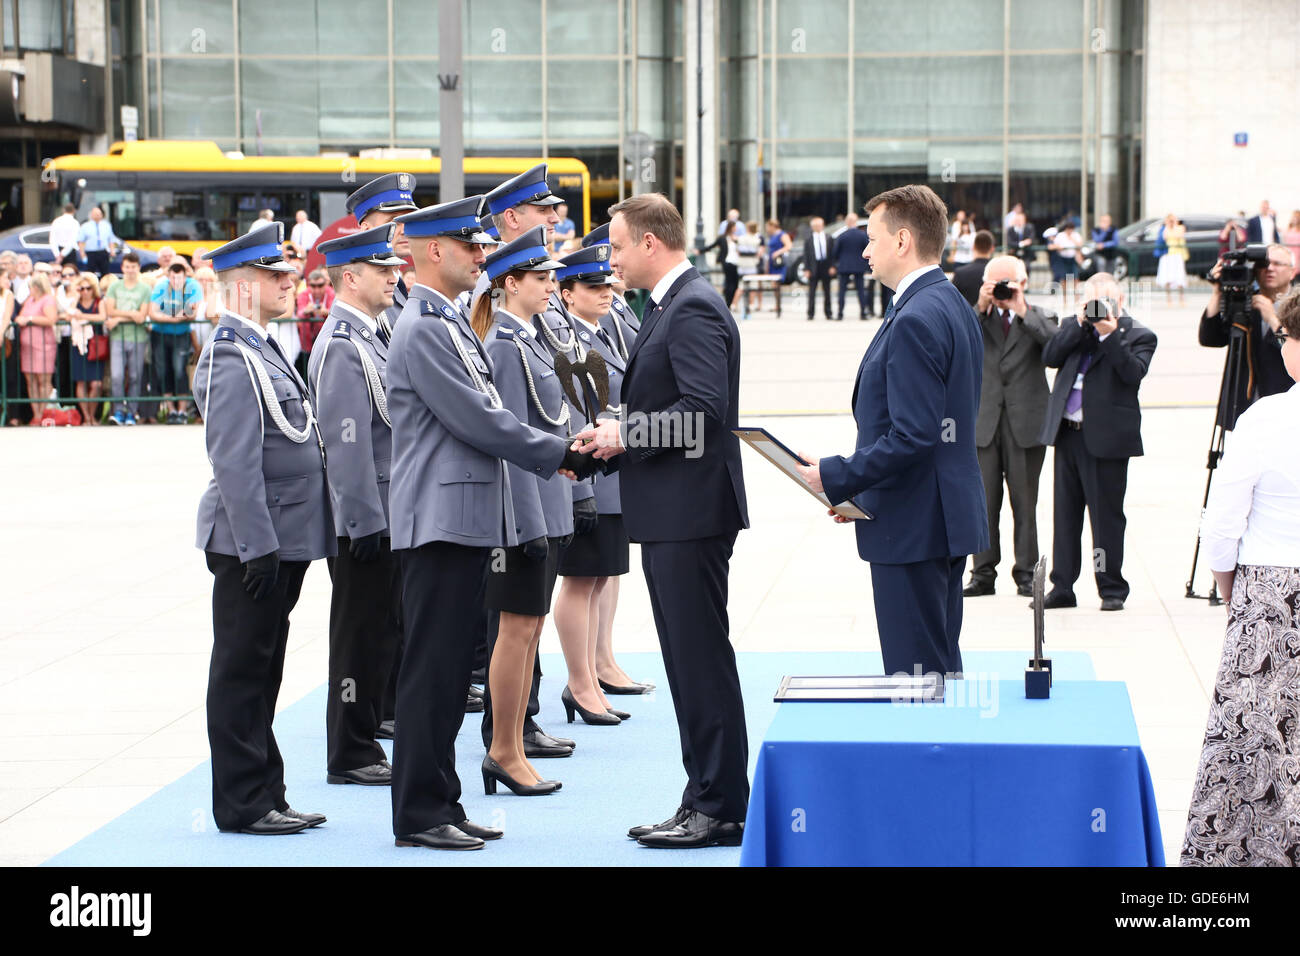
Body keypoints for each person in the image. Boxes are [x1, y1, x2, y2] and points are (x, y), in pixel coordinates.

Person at [385, 198, 597, 850]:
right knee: (432, 671)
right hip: (439, 522)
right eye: (470, 246)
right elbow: (478, 419)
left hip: (464, 518)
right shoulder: (424, 328)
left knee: (451, 673)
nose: (483, 255)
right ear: (433, 252)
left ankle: (440, 800)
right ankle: (420, 812)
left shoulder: (446, 324)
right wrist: (557, 453)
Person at [570, 192, 750, 849]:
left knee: (699, 660)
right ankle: (705, 793)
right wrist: (615, 436)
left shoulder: (693, 305)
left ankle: (722, 805)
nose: (611, 261)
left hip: (691, 513)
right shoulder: (674, 303)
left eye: (617, 247)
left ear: (651, 243)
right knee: (687, 659)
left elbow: (703, 413)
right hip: (676, 509)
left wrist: (625, 434)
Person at [795, 184, 987, 678]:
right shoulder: (949, 303)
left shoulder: (917, 316)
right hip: (936, 514)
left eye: (872, 238)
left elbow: (913, 435)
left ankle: (929, 754)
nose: (864, 250)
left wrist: (837, 475)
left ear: (902, 241)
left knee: (917, 678)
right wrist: (862, 492)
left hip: (915, 523)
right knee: (941, 668)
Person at [191, 221, 332, 835]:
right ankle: (243, 801)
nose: (289, 280)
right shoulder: (231, 354)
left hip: (280, 537)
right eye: (276, 274)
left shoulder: (261, 346)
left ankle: (266, 789)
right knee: (243, 668)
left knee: (265, 665)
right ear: (244, 285)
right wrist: (257, 548)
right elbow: (235, 460)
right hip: (255, 541)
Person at [1182, 290, 1300, 867]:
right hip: (1272, 586)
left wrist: (1230, 586)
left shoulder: (1267, 417)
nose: (1281, 346)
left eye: (1286, 338)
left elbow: (1224, 518)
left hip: (1273, 592)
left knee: (1259, 739)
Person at [474, 228, 584, 795]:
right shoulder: (504, 345)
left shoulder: (533, 338)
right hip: (526, 514)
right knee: (515, 631)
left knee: (530, 628)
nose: (551, 286)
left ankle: (514, 743)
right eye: (540, 278)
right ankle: (503, 749)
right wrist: (529, 525)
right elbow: (511, 440)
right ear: (509, 283)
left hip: (549, 503)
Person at [307, 225, 406, 789]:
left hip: (388, 509)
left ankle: (365, 737)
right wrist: (364, 521)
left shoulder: (373, 335)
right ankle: (350, 750)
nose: (394, 277)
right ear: (351, 277)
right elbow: (346, 443)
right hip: (366, 518)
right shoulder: (344, 344)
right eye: (382, 270)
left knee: (381, 633)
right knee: (359, 637)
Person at [550, 242, 646, 718]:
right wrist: (579, 488)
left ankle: (595, 672)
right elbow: (571, 418)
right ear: (566, 294)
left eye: (606, 282)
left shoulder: (598, 333)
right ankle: (580, 682)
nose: (605, 291)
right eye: (592, 285)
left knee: (600, 576)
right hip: (588, 476)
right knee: (580, 581)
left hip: (612, 474)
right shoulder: (568, 341)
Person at [1039, 273, 1157, 611]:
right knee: (1065, 516)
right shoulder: (1073, 327)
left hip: (1107, 440)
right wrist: (1079, 323)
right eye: (1091, 300)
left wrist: (1109, 335)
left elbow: (1132, 374)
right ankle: (1062, 586)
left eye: (1104, 300)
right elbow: (1050, 356)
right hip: (1068, 435)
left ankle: (1111, 587)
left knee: (1105, 519)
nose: (1097, 308)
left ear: (1120, 302)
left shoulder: (1138, 335)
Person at [963, 255, 1058, 597]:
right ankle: (982, 573)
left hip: (1026, 424)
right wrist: (982, 304)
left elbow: (1055, 346)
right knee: (983, 503)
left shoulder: (1040, 316)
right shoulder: (975, 318)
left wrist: (1020, 308)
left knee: (1025, 504)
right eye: (995, 284)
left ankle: (1026, 574)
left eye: (1008, 283)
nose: (1002, 290)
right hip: (985, 422)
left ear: (1024, 282)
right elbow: (957, 343)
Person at [1198, 244, 1295, 429]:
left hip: (1284, 402)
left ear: (1292, 271)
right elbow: (1210, 338)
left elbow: (1293, 348)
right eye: (1264, 264)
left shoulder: (1296, 306)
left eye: (1277, 263)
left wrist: (1273, 319)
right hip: (1244, 403)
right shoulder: (1244, 302)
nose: (1269, 268)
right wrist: (1217, 292)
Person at [346, 173, 419, 340]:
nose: (403, 230)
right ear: (366, 230)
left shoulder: (395, 282)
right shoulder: (362, 289)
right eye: (394, 222)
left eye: (407, 221)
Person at [148, 262, 202, 424]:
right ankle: (171, 410)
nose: (175, 281)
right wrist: (178, 315)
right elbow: (152, 313)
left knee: (179, 370)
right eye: (172, 277)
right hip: (160, 334)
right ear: (168, 276)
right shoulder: (161, 286)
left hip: (181, 335)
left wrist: (167, 315)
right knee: (163, 371)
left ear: (185, 277)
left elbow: (193, 313)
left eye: (179, 278)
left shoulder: (193, 286)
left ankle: (182, 411)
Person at [103, 253, 149, 426]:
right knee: (117, 376)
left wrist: (120, 318)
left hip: (137, 337)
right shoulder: (114, 286)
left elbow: (142, 316)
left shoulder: (144, 289)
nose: (130, 270)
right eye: (127, 267)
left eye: (133, 267)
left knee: (135, 376)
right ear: (122, 268)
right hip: (117, 337)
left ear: (138, 268)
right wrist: (131, 314)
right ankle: (118, 411)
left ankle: (132, 411)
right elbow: (111, 311)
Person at [15, 273, 58, 420]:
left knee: (43, 380)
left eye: (30, 287)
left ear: (36, 287)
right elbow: (20, 316)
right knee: (30, 379)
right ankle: (36, 414)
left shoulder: (48, 300)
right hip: (28, 347)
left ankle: (43, 413)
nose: (29, 290)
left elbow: (51, 319)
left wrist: (30, 319)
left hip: (44, 346)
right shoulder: (30, 300)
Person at [66, 272, 107, 425]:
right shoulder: (75, 303)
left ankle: (92, 414)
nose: (85, 291)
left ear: (93, 288)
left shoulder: (99, 302)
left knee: (96, 383)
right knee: (81, 382)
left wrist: (83, 316)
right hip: (78, 344)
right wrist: (75, 298)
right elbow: (68, 315)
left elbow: (102, 317)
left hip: (95, 344)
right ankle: (86, 417)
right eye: (81, 289)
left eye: (88, 288)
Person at [834, 212, 871, 319]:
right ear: (856, 222)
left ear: (847, 222)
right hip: (859, 266)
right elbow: (867, 249)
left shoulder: (842, 236)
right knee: (861, 290)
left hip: (844, 266)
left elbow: (835, 252)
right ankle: (863, 313)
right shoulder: (862, 235)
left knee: (842, 291)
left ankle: (840, 313)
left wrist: (837, 262)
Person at [295, 268, 334, 357]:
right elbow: (299, 314)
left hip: (327, 343)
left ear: (326, 283)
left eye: (320, 285)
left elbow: (337, 313)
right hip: (308, 343)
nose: (317, 290)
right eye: (313, 285)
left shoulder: (331, 293)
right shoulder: (304, 294)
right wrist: (306, 311)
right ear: (309, 284)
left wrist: (326, 312)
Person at [950, 230, 995, 306]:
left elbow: (952, 302)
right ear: (992, 249)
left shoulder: (960, 273)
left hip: (966, 317)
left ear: (973, 247)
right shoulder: (996, 272)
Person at [803, 217, 835, 321]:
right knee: (812, 291)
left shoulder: (828, 237)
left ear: (823, 226)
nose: (818, 227)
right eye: (815, 226)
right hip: (813, 267)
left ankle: (828, 312)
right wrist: (806, 269)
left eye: (819, 225)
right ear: (812, 227)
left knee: (827, 291)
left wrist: (833, 266)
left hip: (825, 266)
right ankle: (810, 313)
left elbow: (832, 254)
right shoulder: (808, 239)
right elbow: (806, 255)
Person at [77, 207, 120, 276]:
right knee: (89, 274)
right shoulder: (85, 226)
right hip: (91, 253)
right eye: (95, 214)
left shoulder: (107, 225)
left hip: (103, 252)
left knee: (105, 273)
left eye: (99, 214)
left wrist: (112, 251)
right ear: (91, 215)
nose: (97, 215)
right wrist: (82, 254)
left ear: (102, 215)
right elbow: (81, 241)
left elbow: (111, 239)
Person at [1155, 215, 1188, 304]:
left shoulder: (1180, 227)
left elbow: (1179, 235)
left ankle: (1181, 298)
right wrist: (1168, 226)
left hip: (1177, 254)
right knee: (1168, 277)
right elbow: (1165, 237)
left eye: (1173, 220)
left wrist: (1174, 226)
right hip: (1169, 254)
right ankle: (1169, 299)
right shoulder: (1165, 229)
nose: (1171, 221)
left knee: (1180, 277)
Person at [1048, 219, 1083, 283]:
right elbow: (1053, 245)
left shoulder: (1076, 235)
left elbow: (1080, 245)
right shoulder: (1060, 235)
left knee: (1075, 277)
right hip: (1063, 258)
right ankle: (1064, 293)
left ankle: (1076, 292)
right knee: (1063, 277)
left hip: (1073, 258)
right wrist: (1059, 247)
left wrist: (1072, 239)